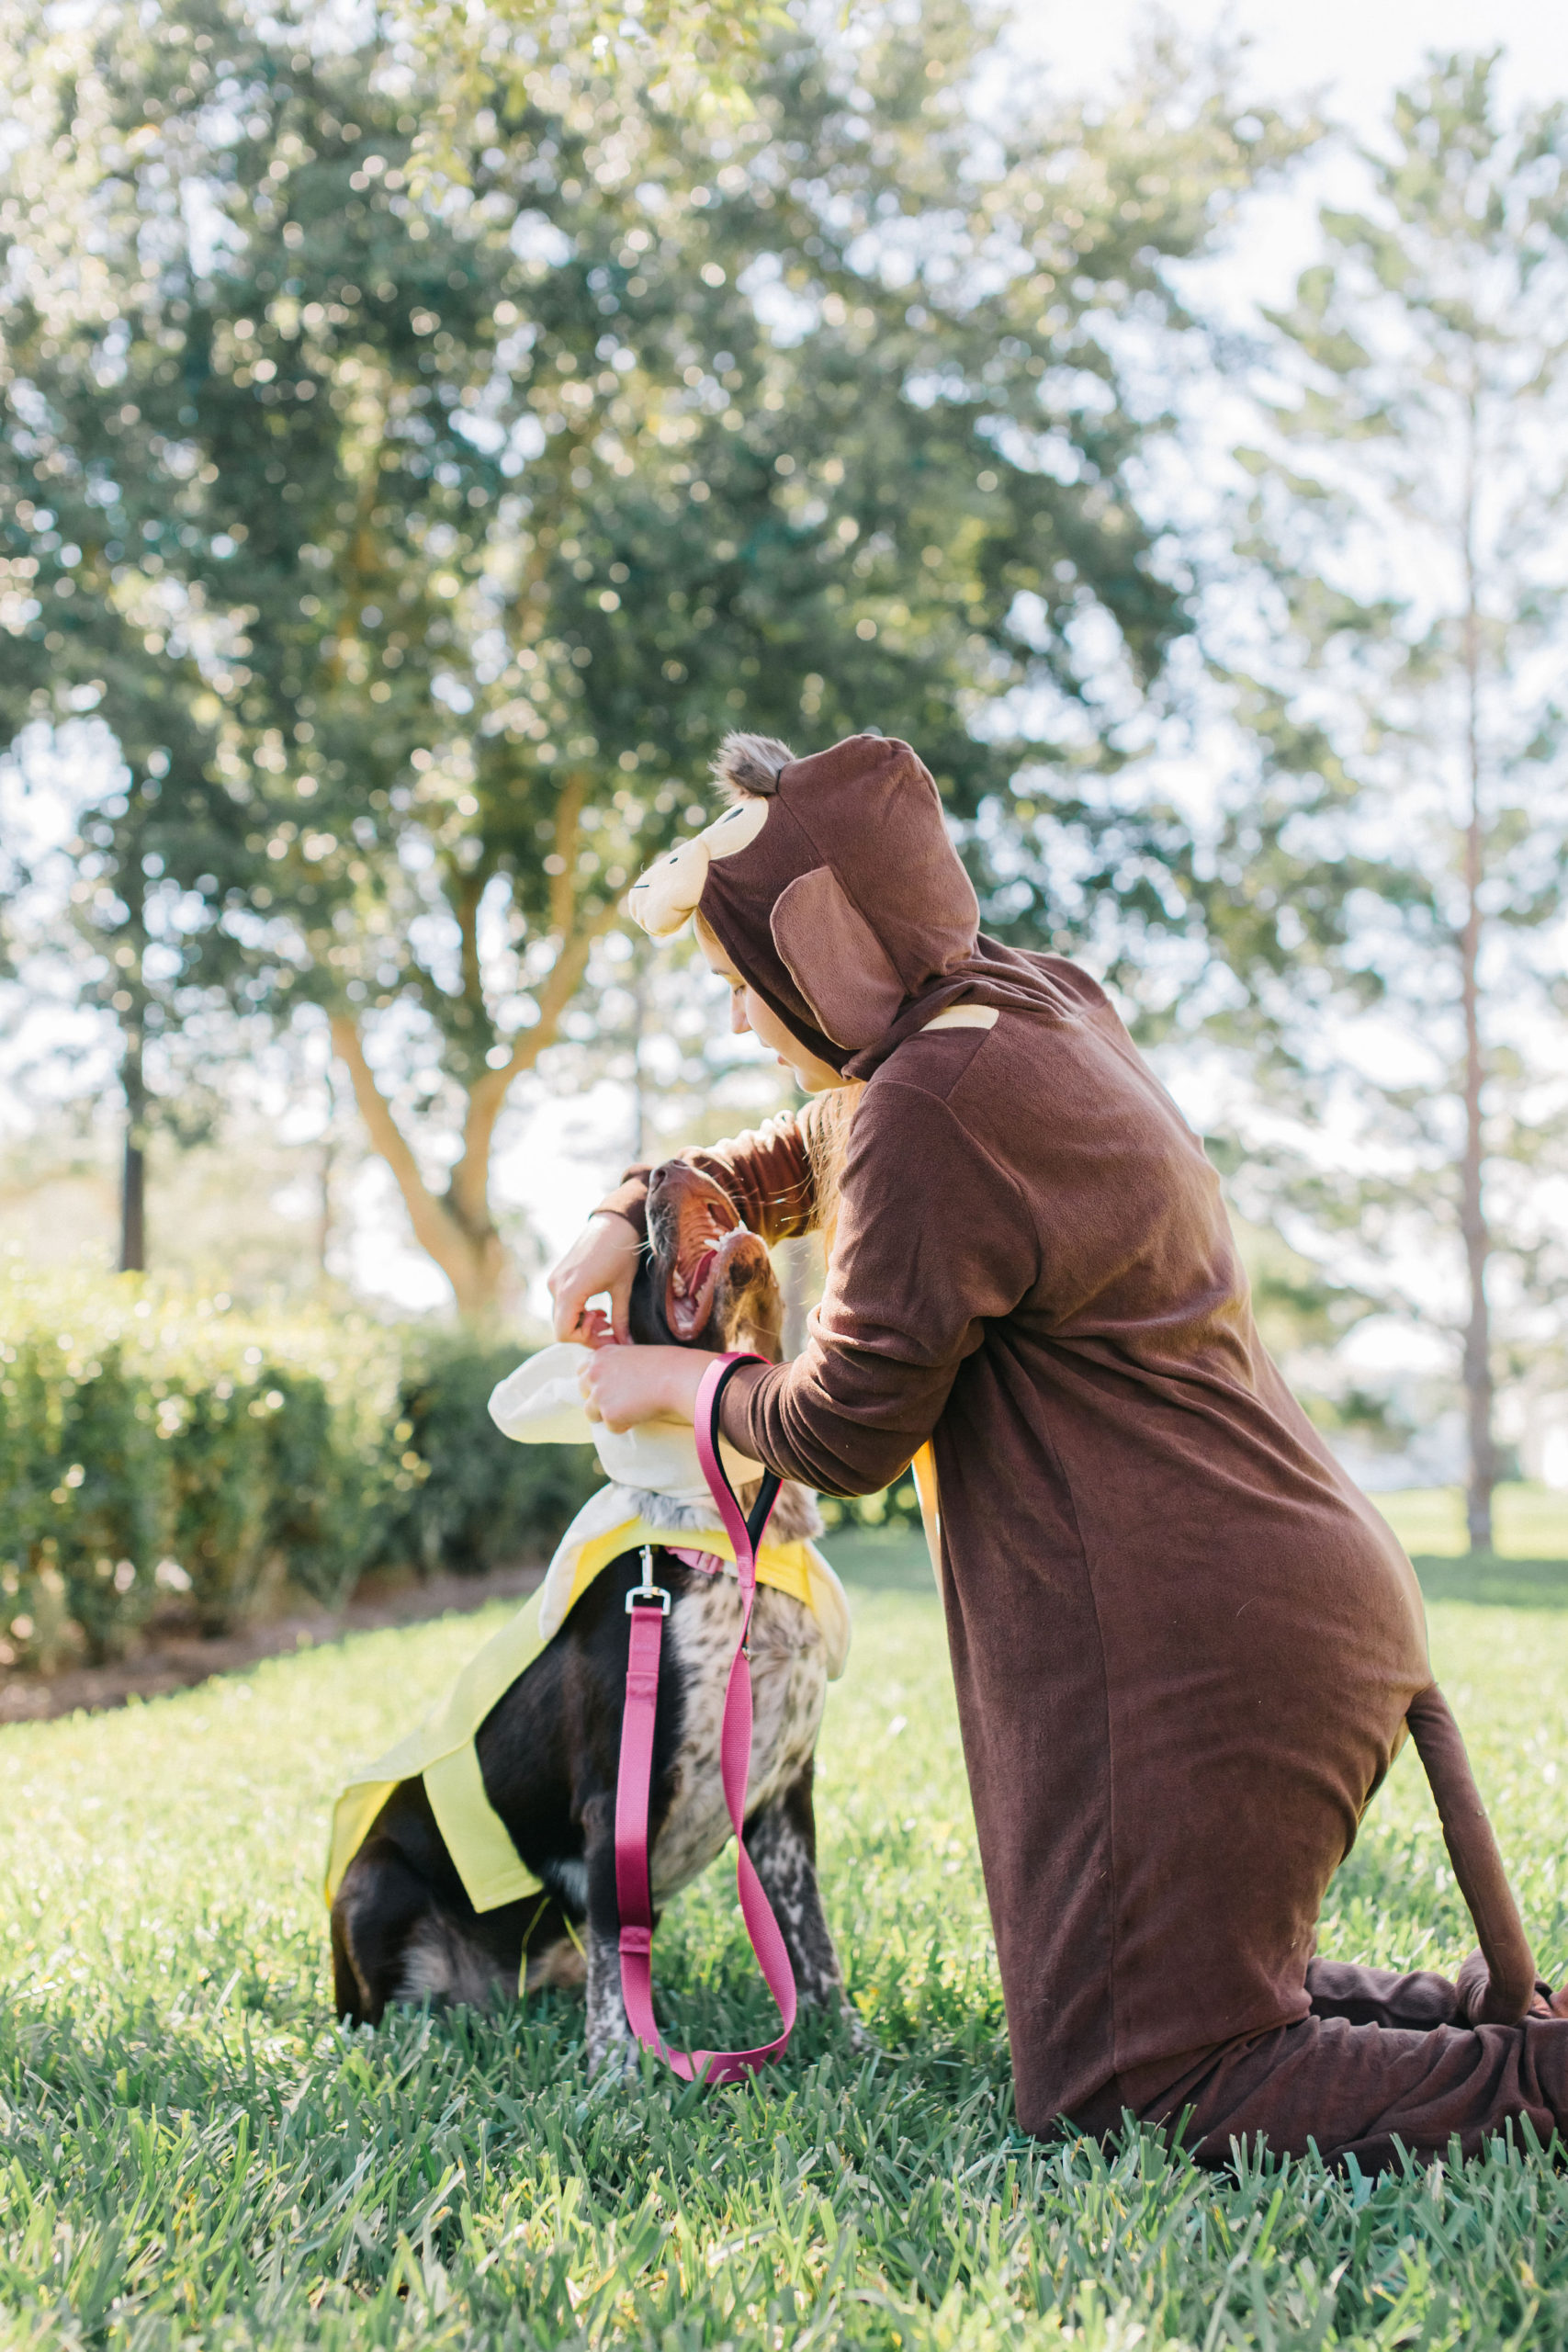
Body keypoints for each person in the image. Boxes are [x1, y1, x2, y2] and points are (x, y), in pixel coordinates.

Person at [548, 727, 1568, 2169]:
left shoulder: (933, 1105)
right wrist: (652, 1192)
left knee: (1139, 2086)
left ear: (820, 951)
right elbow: (816, 1146)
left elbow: (844, 1424)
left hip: (1200, 1637)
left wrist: (669, 1381)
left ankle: (1544, 2095)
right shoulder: (1026, 1011)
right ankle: (1497, 2025)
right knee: (1132, 2016)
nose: (736, 1025)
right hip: (1291, 1591)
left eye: (737, 986)